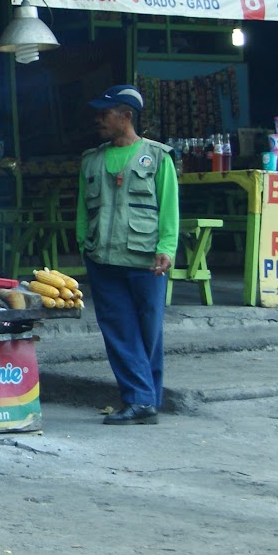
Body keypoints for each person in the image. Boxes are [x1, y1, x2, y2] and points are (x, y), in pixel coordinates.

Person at [76, 84, 180, 426]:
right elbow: (82, 210)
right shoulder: (92, 160)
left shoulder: (157, 157)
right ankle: (139, 399)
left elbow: (169, 208)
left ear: (126, 116)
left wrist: (167, 248)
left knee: (149, 330)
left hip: (145, 261)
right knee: (120, 331)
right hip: (103, 261)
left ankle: (146, 399)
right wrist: (83, 245)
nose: (98, 119)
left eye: (105, 113)